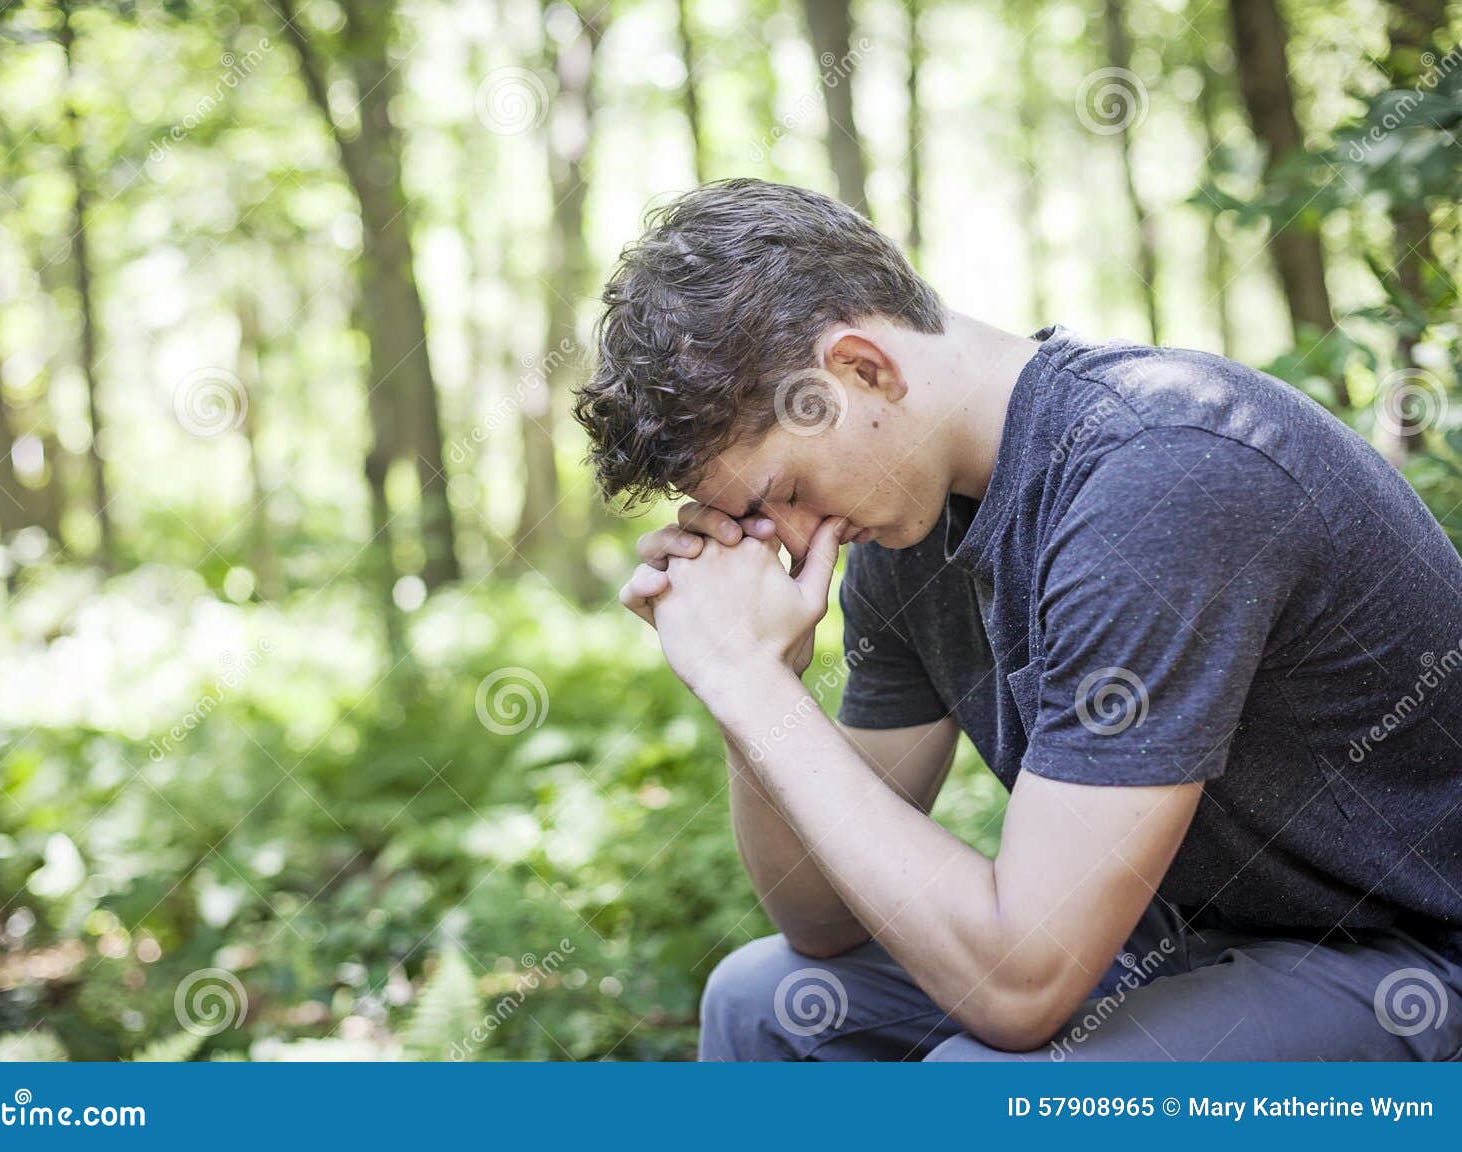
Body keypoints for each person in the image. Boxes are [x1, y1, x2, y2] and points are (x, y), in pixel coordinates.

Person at [572, 178, 1462, 1062]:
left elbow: (1021, 987)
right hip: (1180, 943)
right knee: (762, 1002)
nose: (794, 543)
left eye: (789, 494)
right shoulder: (898, 541)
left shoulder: (1161, 476)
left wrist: (748, 682)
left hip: (1407, 962)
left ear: (860, 369)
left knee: (983, 1088)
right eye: (758, 524)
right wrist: (757, 688)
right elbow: (822, 922)